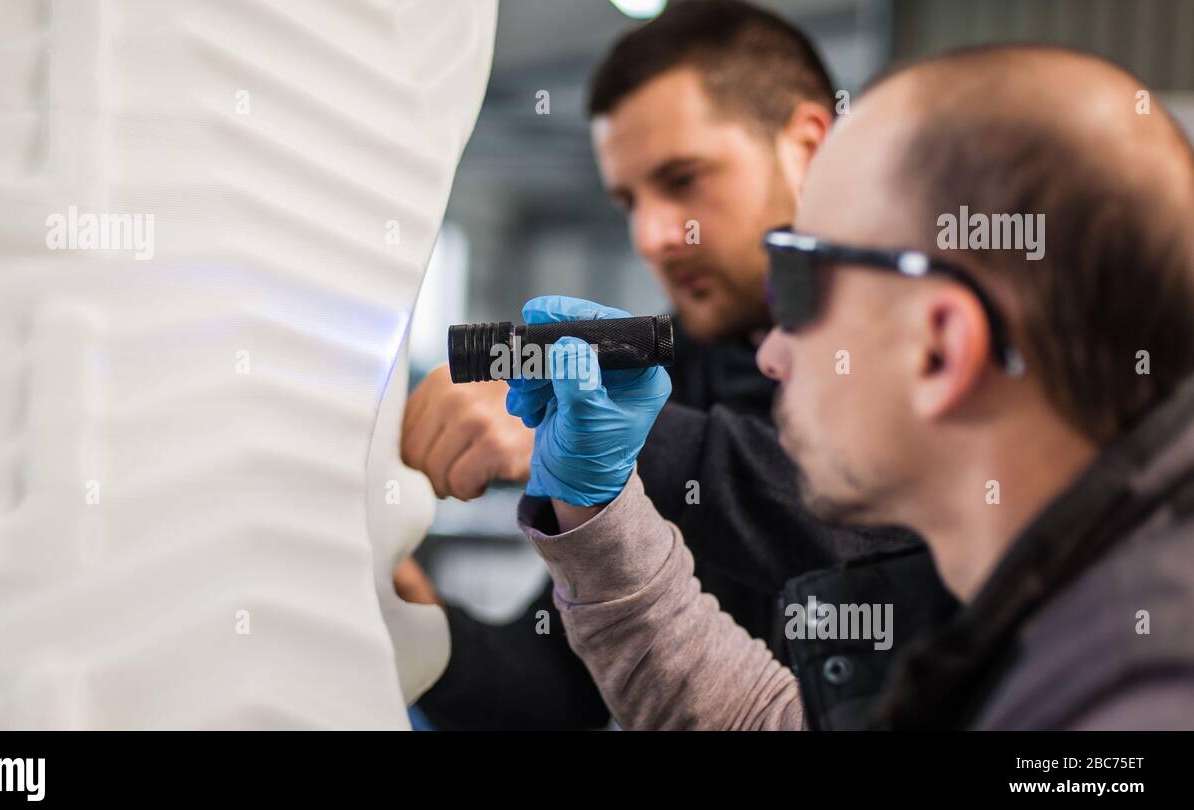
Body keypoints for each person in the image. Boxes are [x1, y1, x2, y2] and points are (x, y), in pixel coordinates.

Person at [510, 43, 1194, 729]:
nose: (773, 353)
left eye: (802, 289)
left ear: (938, 348)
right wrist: (595, 512)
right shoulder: (1059, 620)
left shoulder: (1133, 699)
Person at [398, 0, 946, 730]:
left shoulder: (927, 337)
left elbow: (894, 521)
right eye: (629, 199)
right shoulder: (681, 370)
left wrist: (607, 444)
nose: (653, 235)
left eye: (684, 179)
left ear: (807, 146)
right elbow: (566, 682)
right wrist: (417, 626)